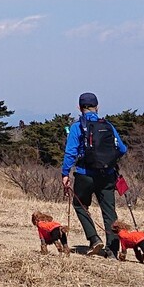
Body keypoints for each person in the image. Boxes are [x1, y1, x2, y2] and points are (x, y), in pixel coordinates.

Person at [59, 92, 126, 257]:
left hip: (84, 174)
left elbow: (70, 153)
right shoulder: (108, 125)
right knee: (109, 211)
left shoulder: (77, 127)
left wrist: (65, 173)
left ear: (79, 108)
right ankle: (112, 251)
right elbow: (122, 149)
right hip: (107, 174)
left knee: (79, 205)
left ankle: (94, 238)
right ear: (98, 107)